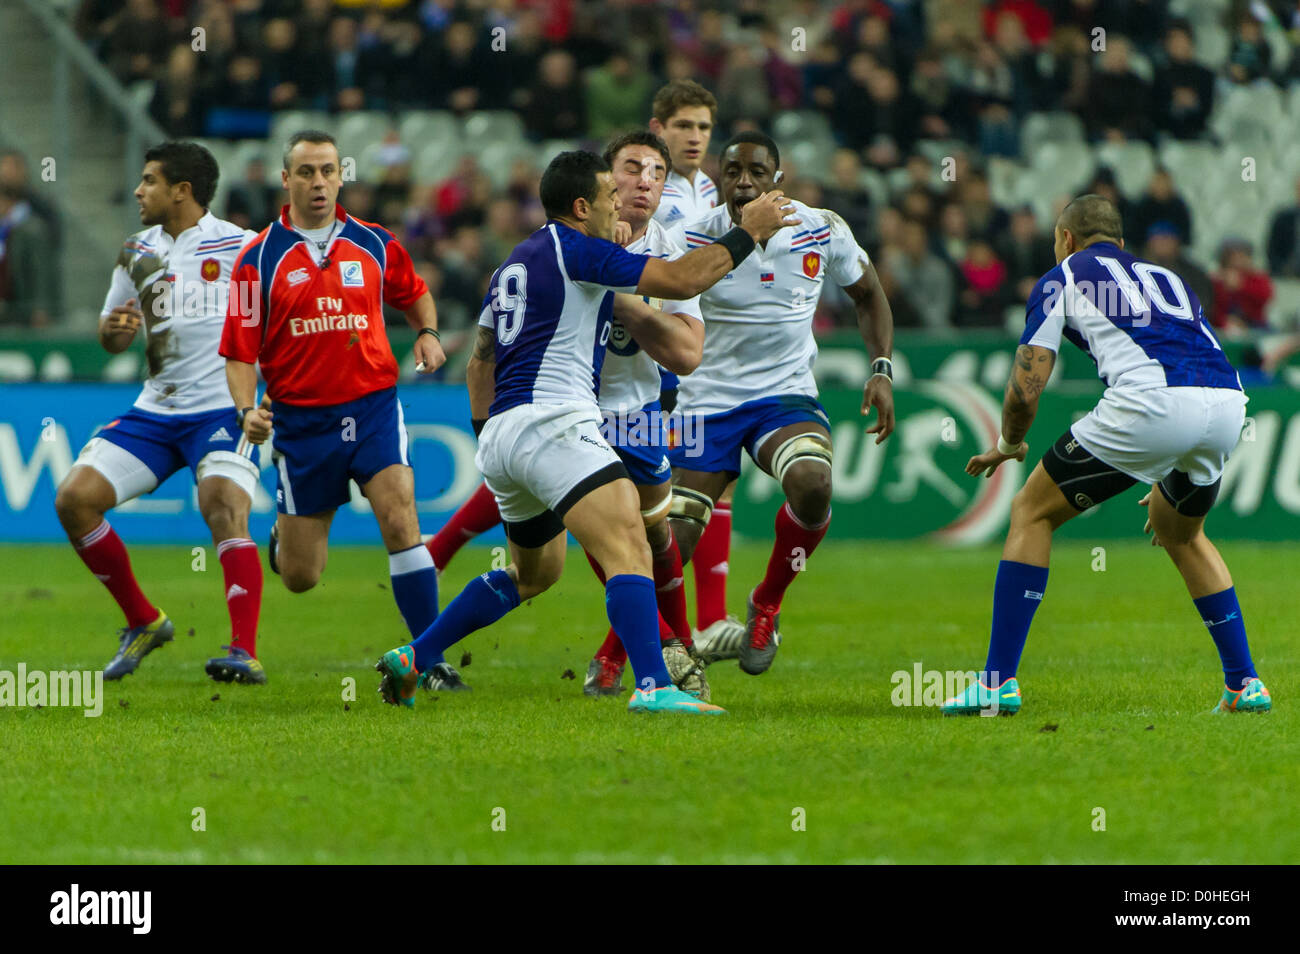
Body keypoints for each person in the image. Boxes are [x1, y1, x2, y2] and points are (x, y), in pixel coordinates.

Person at [373, 149, 797, 714]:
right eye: (607, 194)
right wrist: (748, 232)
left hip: (504, 434)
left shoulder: (515, 262)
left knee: (533, 573)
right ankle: (653, 686)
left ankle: (415, 655)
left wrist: (492, 437)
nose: (619, 200)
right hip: (557, 420)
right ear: (581, 207)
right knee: (632, 546)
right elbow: (681, 276)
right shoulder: (579, 250)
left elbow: (479, 362)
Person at [943, 194, 1270, 716]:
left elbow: (1027, 387)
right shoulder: (1168, 277)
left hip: (1152, 405)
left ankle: (996, 684)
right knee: (1180, 530)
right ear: (1120, 243)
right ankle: (1244, 684)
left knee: (1031, 511)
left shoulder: (1062, 277)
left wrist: (1008, 445)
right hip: (1228, 404)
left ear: (1066, 240)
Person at [219, 130, 455, 686]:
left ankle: (431, 659)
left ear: (341, 175)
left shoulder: (374, 243)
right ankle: (285, 542)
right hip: (303, 422)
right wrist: (244, 409)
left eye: (327, 170)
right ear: (286, 180)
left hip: (373, 405)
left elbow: (414, 291)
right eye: (306, 172)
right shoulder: (259, 259)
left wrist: (427, 332)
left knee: (401, 519)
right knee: (302, 576)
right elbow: (238, 350)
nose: (318, 182)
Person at [666, 131, 896, 674]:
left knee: (814, 485)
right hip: (706, 401)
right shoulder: (693, 236)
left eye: (756, 171)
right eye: (732, 171)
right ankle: (656, 652)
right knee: (672, 542)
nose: (744, 181)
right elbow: (664, 304)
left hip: (783, 395)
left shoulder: (822, 228)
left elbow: (868, 294)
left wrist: (881, 368)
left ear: (778, 179)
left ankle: (766, 602)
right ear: (719, 179)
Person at [54, 142, 265, 684]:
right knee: (75, 500)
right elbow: (110, 333)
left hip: (221, 409)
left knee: (221, 504)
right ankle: (144, 621)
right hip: (156, 411)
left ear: (182, 191)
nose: (137, 191)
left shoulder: (244, 248)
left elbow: (275, 328)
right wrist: (114, 332)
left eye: (148, 181)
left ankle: (243, 650)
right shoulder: (134, 251)